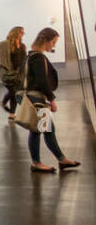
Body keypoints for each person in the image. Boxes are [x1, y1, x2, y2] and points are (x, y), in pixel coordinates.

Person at [22, 28, 80, 174]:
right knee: (40, 131)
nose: (53, 46)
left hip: (34, 98)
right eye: (53, 42)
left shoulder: (31, 56)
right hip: (37, 99)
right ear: (45, 41)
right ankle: (38, 163)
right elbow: (42, 81)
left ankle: (60, 159)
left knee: (45, 130)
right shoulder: (38, 57)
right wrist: (52, 99)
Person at [0, 26, 27, 119]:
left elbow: (24, 59)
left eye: (23, 33)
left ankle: (10, 112)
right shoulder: (6, 44)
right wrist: (2, 59)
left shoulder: (22, 46)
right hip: (6, 72)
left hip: (17, 73)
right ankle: (7, 108)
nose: (23, 34)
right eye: (21, 32)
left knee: (14, 91)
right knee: (14, 91)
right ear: (15, 33)